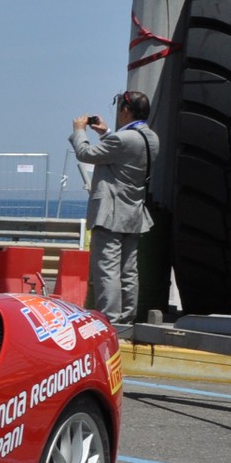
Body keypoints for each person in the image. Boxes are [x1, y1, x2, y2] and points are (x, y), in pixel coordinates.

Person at [71, 90, 160, 325]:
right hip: (133, 213)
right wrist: (106, 133)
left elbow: (86, 153)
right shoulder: (150, 138)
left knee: (107, 269)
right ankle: (127, 317)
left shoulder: (123, 139)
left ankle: (109, 320)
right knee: (128, 269)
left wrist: (80, 131)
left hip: (111, 213)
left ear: (126, 111)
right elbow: (122, 152)